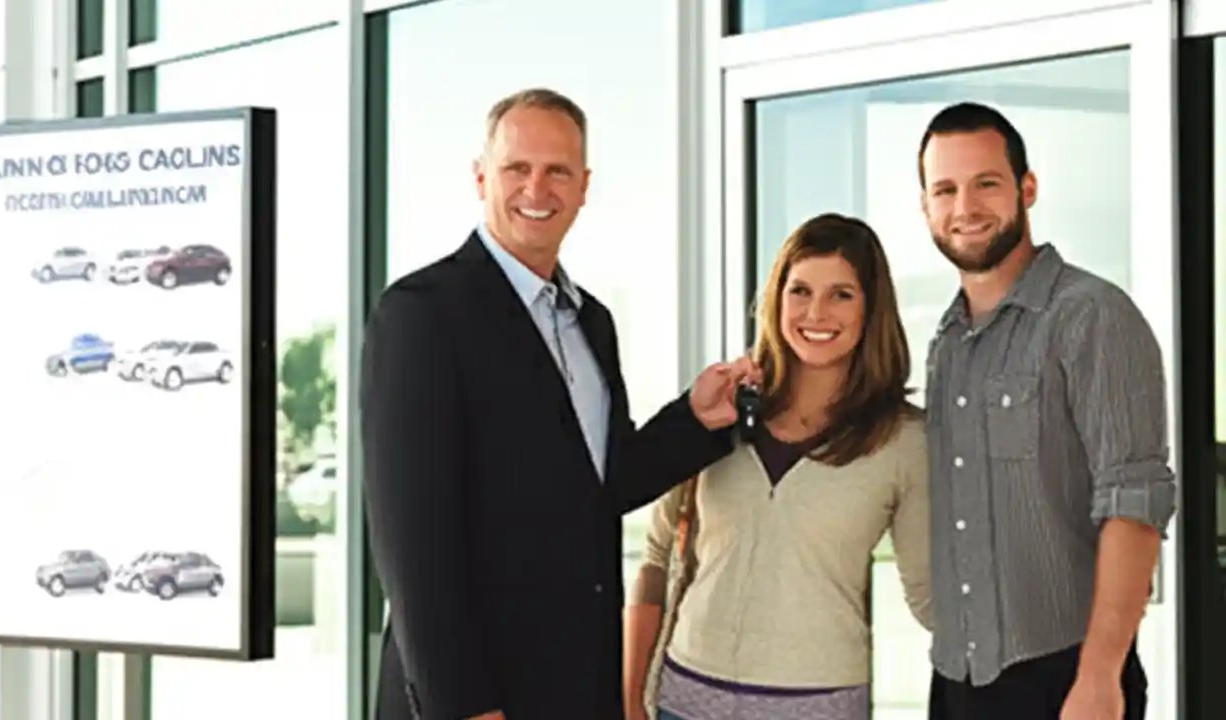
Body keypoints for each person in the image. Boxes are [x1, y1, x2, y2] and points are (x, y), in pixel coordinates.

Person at [361, 87, 761, 720]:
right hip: (476, 696)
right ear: (481, 177)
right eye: (517, 168)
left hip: (575, 686)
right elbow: (412, 544)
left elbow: (602, 482)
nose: (537, 189)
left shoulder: (590, 321)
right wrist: (466, 706)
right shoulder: (422, 314)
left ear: (583, 186)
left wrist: (696, 417)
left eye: (558, 171)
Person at [917, 101, 1176, 720]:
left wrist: (1100, 677)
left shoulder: (1091, 316)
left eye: (986, 183)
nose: (965, 207)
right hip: (956, 681)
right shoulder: (946, 343)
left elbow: (1134, 505)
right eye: (945, 190)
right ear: (925, 206)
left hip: (1067, 679)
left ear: (1026, 188)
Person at [623, 212, 933, 720]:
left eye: (841, 294)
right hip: (685, 702)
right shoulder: (721, 405)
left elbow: (929, 597)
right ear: (776, 299)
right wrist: (631, 699)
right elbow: (657, 558)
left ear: (871, 308)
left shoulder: (904, 440)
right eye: (800, 291)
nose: (816, 312)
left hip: (820, 706)